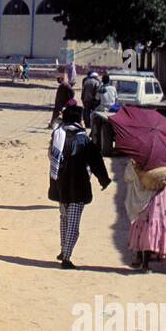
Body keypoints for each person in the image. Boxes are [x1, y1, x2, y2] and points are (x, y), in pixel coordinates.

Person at [48, 103, 111, 268]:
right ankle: (66, 258)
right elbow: (96, 161)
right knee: (73, 224)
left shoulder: (57, 135)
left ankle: (63, 250)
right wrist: (103, 180)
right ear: (78, 119)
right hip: (78, 186)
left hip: (61, 185)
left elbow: (52, 157)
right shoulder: (83, 138)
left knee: (64, 219)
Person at [124, 162, 166, 271]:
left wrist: (138, 172)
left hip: (144, 195)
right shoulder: (164, 160)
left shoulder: (137, 157)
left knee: (142, 224)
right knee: (150, 225)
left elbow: (128, 175)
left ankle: (140, 258)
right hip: (157, 195)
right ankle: (145, 262)